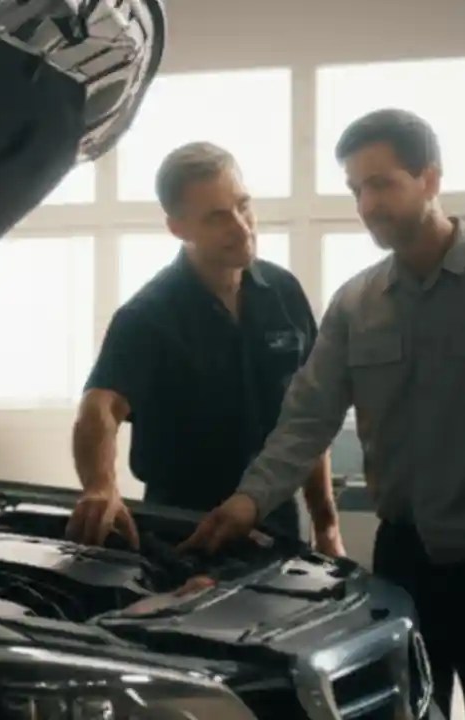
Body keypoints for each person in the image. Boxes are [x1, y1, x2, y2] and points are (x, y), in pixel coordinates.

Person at [177, 109, 465, 720]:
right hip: (402, 568)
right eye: (356, 189)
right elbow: (304, 421)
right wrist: (247, 503)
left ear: (430, 179)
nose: (367, 204)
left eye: (381, 183)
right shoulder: (356, 304)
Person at [65, 141, 345, 557]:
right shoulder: (147, 317)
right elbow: (100, 409)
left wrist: (327, 526)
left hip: (280, 530)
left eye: (243, 204)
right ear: (177, 227)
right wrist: (101, 485)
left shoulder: (284, 293)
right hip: (183, 535)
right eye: (217, 216)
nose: (241, 226)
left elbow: (308, 419)